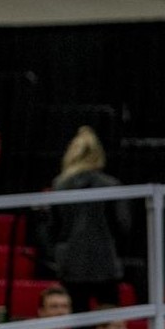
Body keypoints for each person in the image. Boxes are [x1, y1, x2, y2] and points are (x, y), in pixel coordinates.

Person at [48, 127, 130, 314]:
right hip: (104, 260)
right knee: (109, 318)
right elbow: (123, 224)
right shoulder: (111, 185)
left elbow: (52, 225)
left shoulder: (59, 185)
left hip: (70, 261)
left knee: (78, 318)